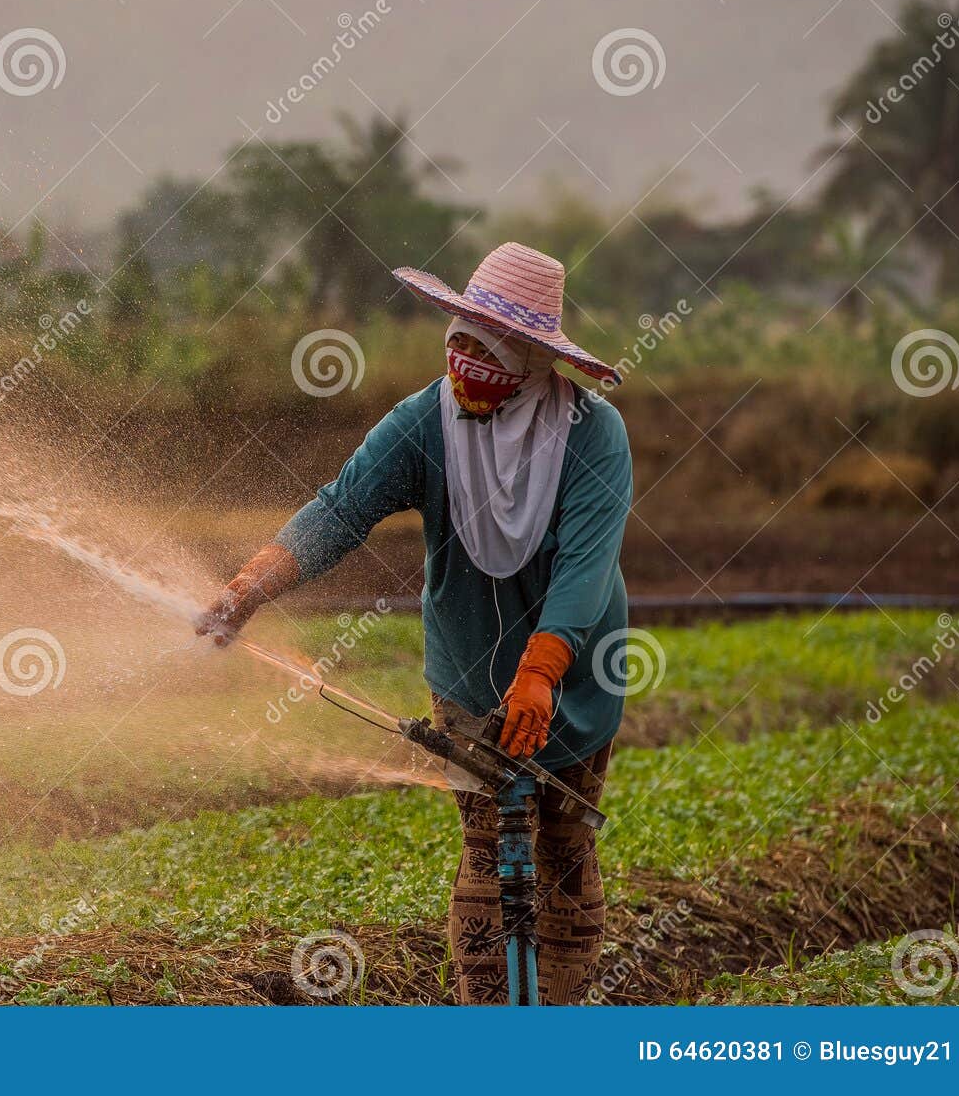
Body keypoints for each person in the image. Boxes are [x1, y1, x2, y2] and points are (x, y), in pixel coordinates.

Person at [197, 242, 633, 1005]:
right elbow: (343, 508)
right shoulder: (424, 423)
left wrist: (539, 672)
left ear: (531, 359)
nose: (465, 365)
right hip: (466, 666)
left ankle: (557, 1021)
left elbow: (586, 567)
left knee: (563, 843)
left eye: (486, 351)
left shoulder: (593, 436)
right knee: (485, 838)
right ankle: (486, 1018)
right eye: (457, 343)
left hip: (576, 671)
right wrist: (257, 580)